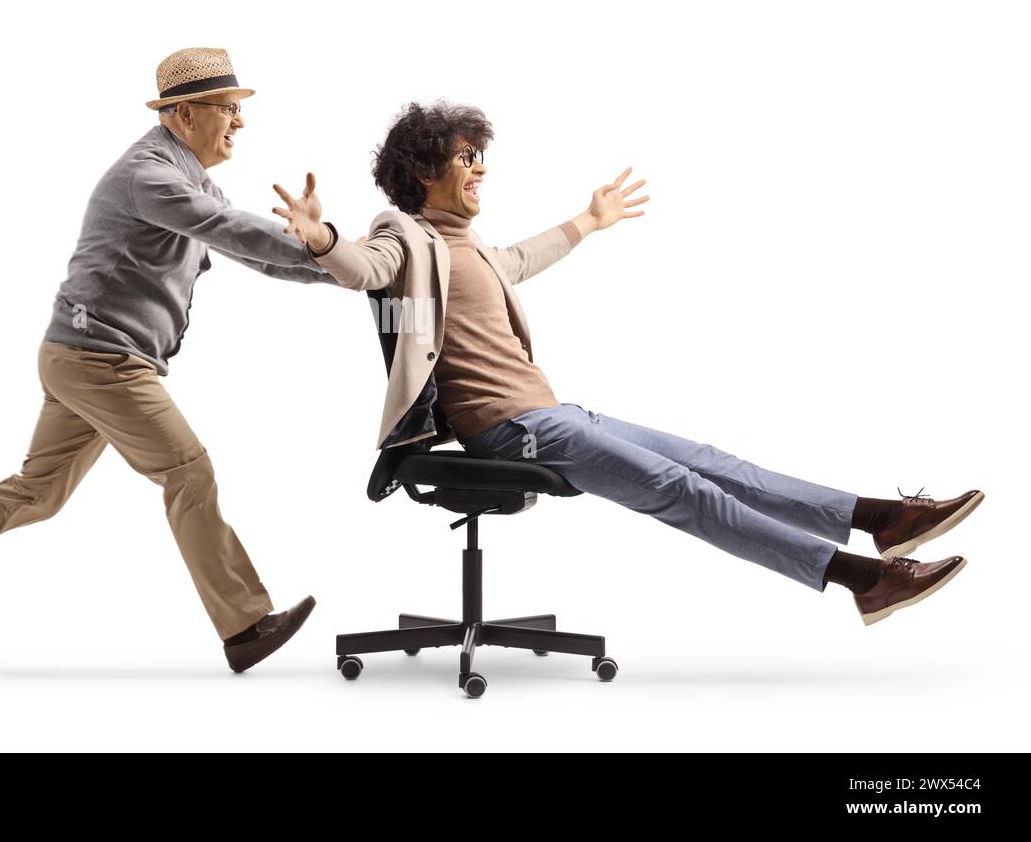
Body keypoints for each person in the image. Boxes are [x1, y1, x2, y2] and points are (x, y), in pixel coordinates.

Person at [273, 100, 982, 626]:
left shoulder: (470, 242)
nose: (480, 167)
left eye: (480, 156)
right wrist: (320, 237)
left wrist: (588, 221)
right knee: (687, 492)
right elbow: (364, 268)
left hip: (553, 414)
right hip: (511, 428)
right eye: (465, 158)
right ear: (423, 171)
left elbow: (521, 259)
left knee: (715, 464)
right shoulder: (403, 233)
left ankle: (882, 518)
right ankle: (864, 579)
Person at [0, 47, 336, 670]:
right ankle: (245, 626)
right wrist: (333, 253)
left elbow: (257, 253)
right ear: (184, 114)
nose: (238, 121)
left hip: (78, 354)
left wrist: (348, 269)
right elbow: (235, 230)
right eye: (227, 108)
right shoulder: (149, 174)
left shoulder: (190, 176)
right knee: (187, 472)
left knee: (39, 493)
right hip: (101, 359)